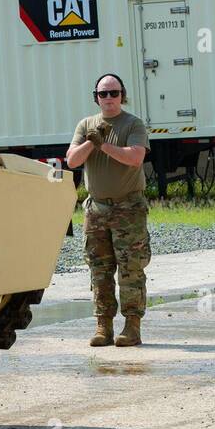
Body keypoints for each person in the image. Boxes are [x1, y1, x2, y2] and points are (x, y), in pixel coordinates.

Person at [66, 74, 151, 347]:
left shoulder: (133, 124)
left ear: (122, 95)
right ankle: (103, 326)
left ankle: (132, 326)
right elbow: (72, 161)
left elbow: (135, 158)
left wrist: (104, 144)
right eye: (103, 94)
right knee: (99, 270)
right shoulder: (86, 125)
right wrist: (92, 142)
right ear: (96, 97)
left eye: (114, 93)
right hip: (97, 210)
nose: (109, 99)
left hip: (128, 208)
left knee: (131, 269)